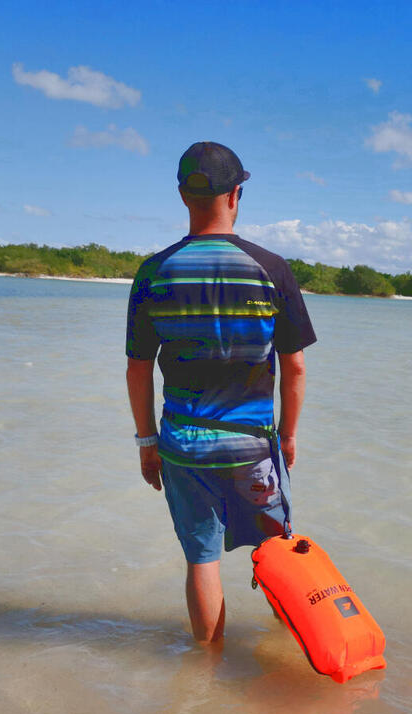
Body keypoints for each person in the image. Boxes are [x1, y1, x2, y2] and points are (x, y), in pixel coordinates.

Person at [125, 141, 317, 644]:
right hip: (252, 443)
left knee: (202, 559)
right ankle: (295, 654)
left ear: (183, 196)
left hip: (184, 447)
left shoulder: (154, 272)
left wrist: (147, 443)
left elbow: (138, 370)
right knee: (278, 548)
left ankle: (206, 675)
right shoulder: (271, 268)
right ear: (237, 194)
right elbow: (294, 368)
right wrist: (289, 438)